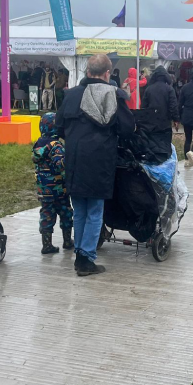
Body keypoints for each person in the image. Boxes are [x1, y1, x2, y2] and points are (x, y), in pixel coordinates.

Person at [56, 54, 135, 276]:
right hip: (100, 160)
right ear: (107, 73)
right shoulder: (112, 95)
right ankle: (85, 259)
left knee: (79, 209)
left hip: (74, 160)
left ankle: (80, 253)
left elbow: (59, 125)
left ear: (87, 71)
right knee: (94, 211)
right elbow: (128, 128)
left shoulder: (70, 96)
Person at [33, 113, 74, 255]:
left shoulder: (38, 144)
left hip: (44, 190)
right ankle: (68, 241)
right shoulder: (56, 146)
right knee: (66, 213)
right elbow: (60, 166)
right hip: (58, 189)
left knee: (46, 215)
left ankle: (47, 244)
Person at [140, 66, 180, 162]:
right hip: (165, 123)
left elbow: (143, 107)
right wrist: (176, 120)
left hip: (151, 124)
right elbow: (173, 106)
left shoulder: (149, 89)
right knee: (165, 146)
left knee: (152, 146)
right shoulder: (169, 89)